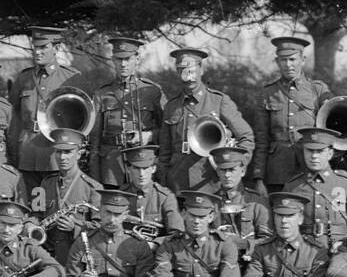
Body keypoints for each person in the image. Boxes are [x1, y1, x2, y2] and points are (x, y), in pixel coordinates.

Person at [155, 48, 254, 194]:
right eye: (183, 71)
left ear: (201, 70)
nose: (189, 77)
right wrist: (163, 180)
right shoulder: (171, 106)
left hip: (209, 182)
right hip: (177, 183)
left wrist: (235, 167)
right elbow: (165, 151)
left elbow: (247, 138)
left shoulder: (219, 101)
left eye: (192, 70)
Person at [248, 35, 331, 194]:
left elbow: (331, 129)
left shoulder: (317, 90)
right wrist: (258, 178)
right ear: (277, 61)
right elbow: (261, 139)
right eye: (283, 60)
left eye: (292, 59)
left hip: (309, 167)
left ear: (303, 60)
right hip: (277, 171)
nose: (288, 65)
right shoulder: (267, 93)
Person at [7, 26, 80, 198]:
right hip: (27, 152)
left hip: (56, 153)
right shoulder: (24, 79)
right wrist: (14, 151)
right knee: (33, 202)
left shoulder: (71, 78)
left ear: (56, 48)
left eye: (43, 47)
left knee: (56, 201)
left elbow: (81, 119)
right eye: (35, 47)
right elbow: (13, 118)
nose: (37, 52)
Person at [89, 36, 165, 188]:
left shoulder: (152, 91)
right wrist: (95, 179)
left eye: (128, 59)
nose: (123, 64)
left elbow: (167, 131)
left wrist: (149, 135)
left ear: (137, 59)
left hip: (142, 163)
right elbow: (94, 142)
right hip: (111, 167)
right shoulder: (102, 94)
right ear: (113, 60)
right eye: (118, 59)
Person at [282, 128, 347, 246]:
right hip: (303, 248)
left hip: (339, 247)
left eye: (320, 151)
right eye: (309, 151)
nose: (314, 156)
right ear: (303, 151)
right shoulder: (293, 186)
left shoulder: (346, 183)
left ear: (330, 154)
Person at [33, 128, 102, 264]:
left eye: (68, 152)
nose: (62, 157)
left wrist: (76, 227)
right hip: (48, 254)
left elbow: (100, 227)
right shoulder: (44, 183)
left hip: (76, 256)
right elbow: (35, 214)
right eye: (58, 152)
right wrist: (30, 225)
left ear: (78, 154)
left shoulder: (93, 188)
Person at [196, 146, 271, 267]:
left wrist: (244, 244)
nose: (227, 175)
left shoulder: (257, 202)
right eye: (223, 170)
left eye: (232, 170)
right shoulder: (209, 202)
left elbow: (268, 240)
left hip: (250, 264)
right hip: (216, 264)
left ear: (243, 171)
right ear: (217, 172)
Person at [120, 145, 182, 237]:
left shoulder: (165, 197)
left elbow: (176, 233)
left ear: (153, 169)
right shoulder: (120, 195)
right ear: (128, 169)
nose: (141, 174)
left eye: (145, 168)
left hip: (155, 249)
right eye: (136, 168)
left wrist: (156, 244)